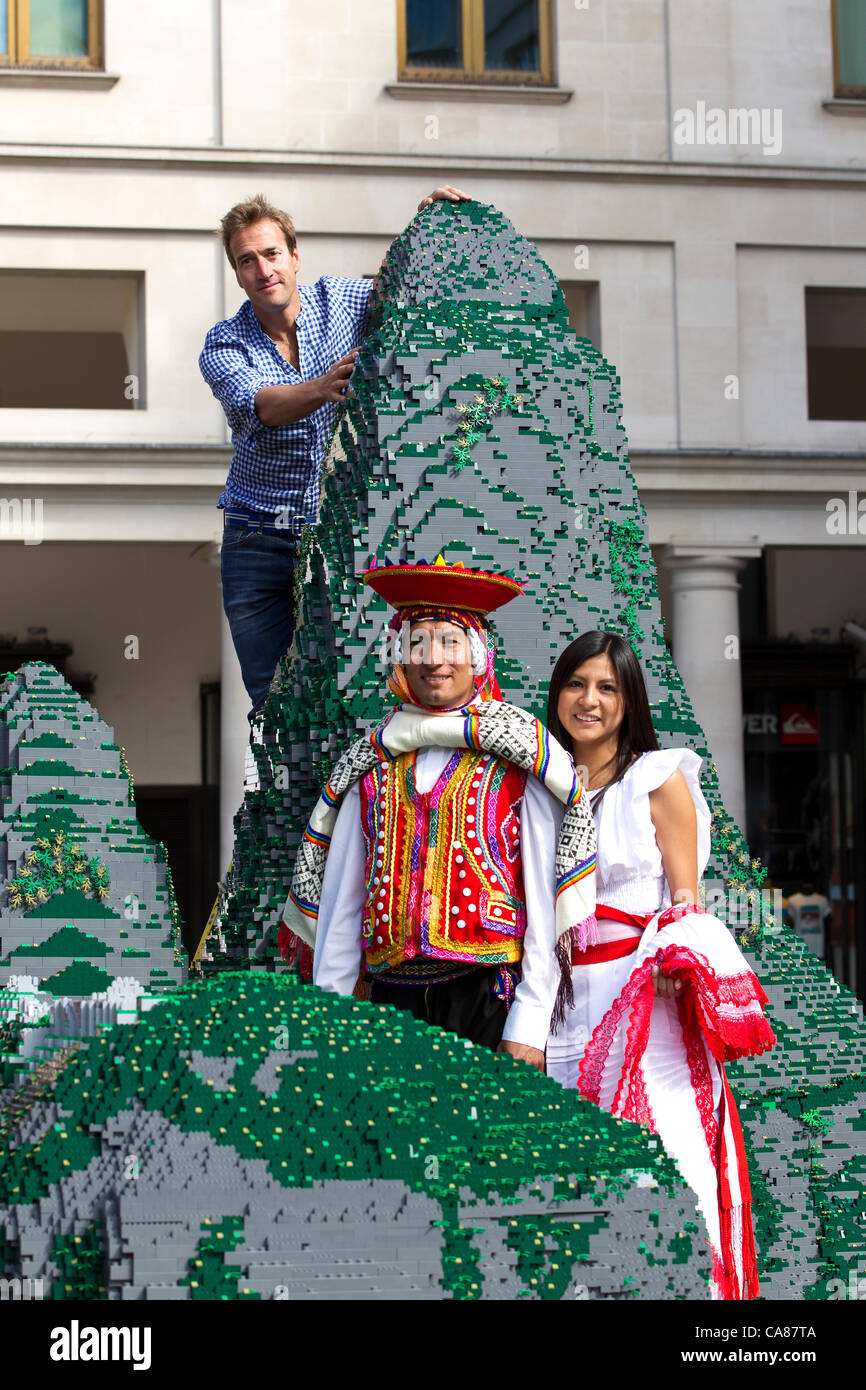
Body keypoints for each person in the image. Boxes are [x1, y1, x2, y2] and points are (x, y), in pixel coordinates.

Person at [279, 556, 597, 1070]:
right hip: (390, 998)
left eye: (450, 643)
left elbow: (543, 900)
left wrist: (529, 1026)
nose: (434, 660)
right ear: (400, 659)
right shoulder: (371, 761)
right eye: (418, 644)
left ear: (478, 658)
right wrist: (333, 1022)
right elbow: (343, 905)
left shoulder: (520, 753)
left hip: (486, 993)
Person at [545, 630, 776, 1301]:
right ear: (556, 693)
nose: (589, 700)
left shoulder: (657, 776)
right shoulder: (538, 784)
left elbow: (685, 897)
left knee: (666, 1153)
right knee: (573, 1171)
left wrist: (676, 956)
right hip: (556, 1003)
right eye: (576, 684)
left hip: (644, 1000)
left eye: (607, 687)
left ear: (630, 700)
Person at [199, 186, 470, 720]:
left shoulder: (341, 301)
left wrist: (426, 223)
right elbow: (263, 406)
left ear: (294, 257)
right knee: (272, 701)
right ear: (238, 275)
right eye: (247, 261)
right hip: (257, 537)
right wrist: (322, 388)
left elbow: (404, 285)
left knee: (352, 687)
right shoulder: (223, 343)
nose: (263, 270)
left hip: (339, 530)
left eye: (272, 254)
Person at [786, 881, 831, 960]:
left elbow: (828, 918)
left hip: (817, 944)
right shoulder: (792, 900)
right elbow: (789, 922)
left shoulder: (822, 900)